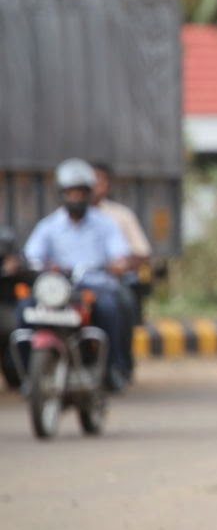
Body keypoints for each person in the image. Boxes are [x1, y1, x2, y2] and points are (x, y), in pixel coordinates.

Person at [19, 158, 133, 391]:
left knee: (110, 309)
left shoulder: (105, 225)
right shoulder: (49, 226)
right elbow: (32, 255)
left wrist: (118, 264)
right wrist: (34, 265)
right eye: (71, 193)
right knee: (24, 309)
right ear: (62, 194)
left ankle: (111, 368)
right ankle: (25, 373)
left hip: (93, 287)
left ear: (89, 194)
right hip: (58, 289)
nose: (76, 198)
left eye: (81, 193)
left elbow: (120, 255)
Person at [92, 161, 152, 382]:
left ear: (108, 185)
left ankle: (118, 363)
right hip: (76, 283)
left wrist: (122, 266)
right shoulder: (60, 219)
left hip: (112, 282)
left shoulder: (117, 217)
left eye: (99, 182)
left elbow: (140, 252)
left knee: (122, 304)